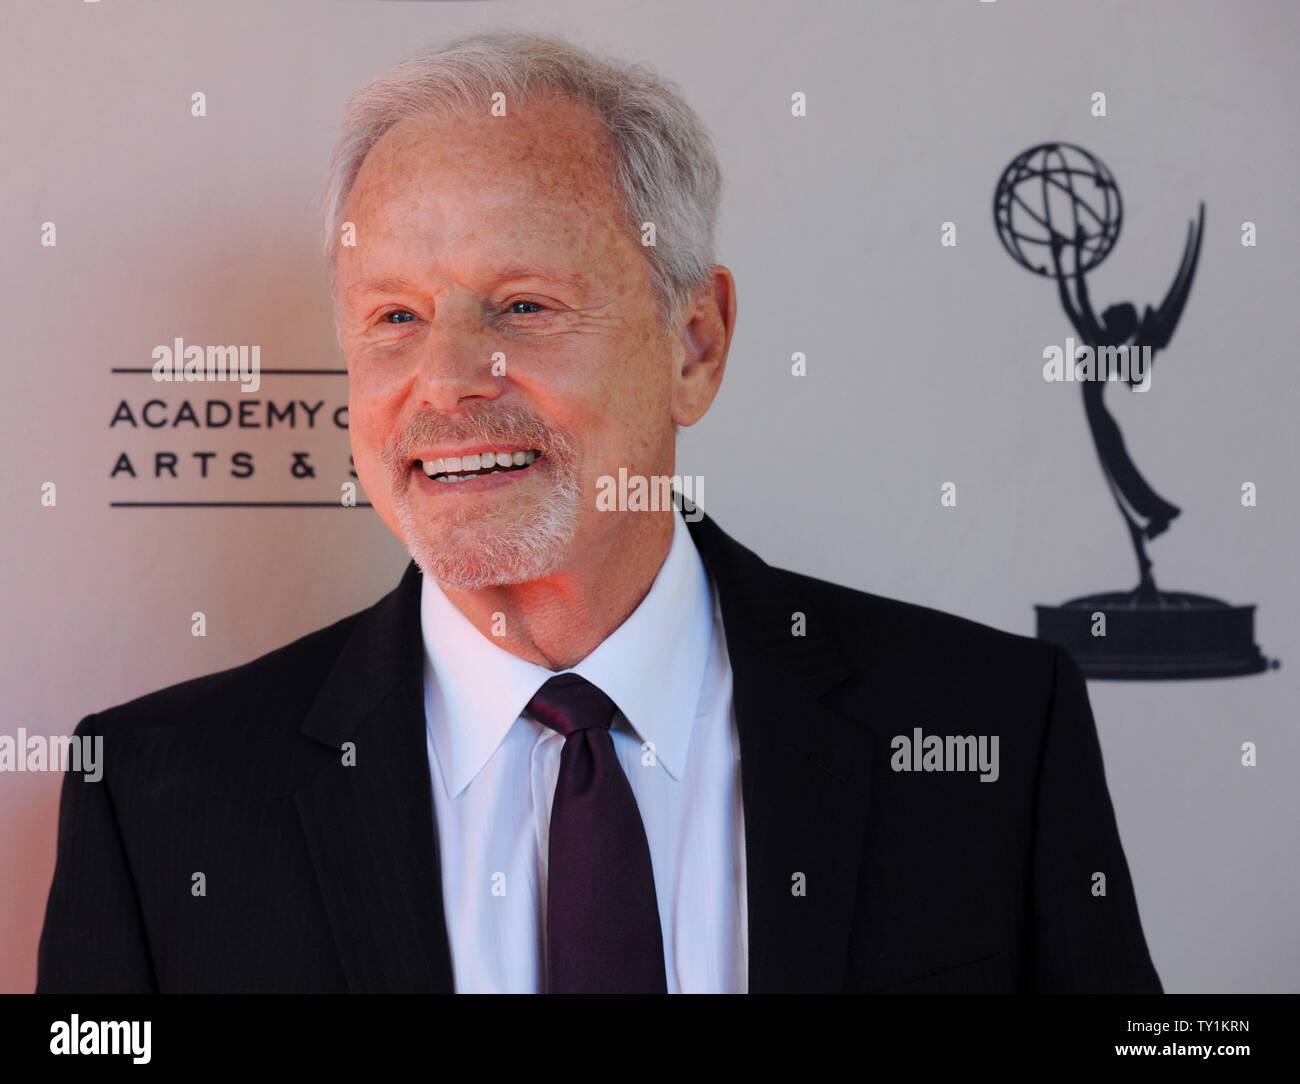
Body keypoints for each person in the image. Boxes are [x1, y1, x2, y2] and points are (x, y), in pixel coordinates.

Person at [37, 29, 1160, 994]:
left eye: (523, 304)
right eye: (393, 318)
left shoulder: (997, 733)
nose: (449, 379)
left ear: (694, 343)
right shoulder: (155, 799)